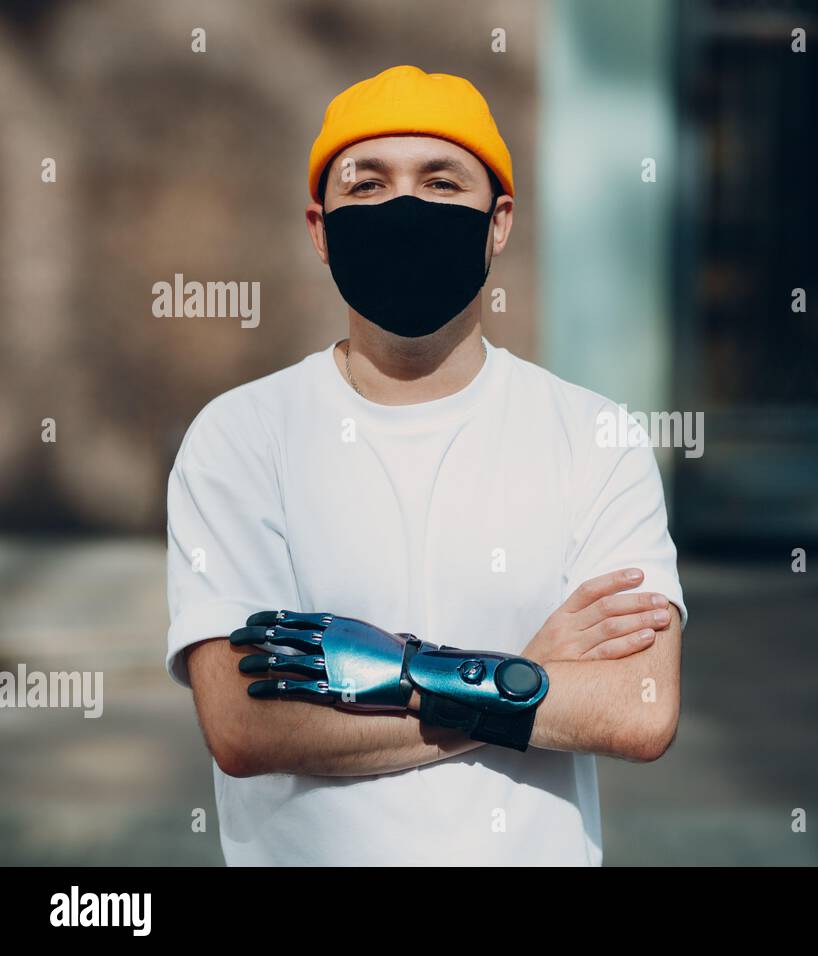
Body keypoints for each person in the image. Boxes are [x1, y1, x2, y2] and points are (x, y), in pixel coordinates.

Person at [164, 65, 686, 866]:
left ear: (498, 220)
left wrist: (381, 674)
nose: (404, 208)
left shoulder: (594, 436)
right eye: (366, 185)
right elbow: (246, 724)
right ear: (320, 226)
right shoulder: (239, 438)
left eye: (442, 183)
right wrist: (522, 678)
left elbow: (639, 710)